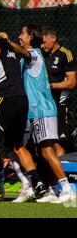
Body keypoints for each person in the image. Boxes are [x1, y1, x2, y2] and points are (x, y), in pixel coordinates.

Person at [2, 25, 76, 204]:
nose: (20, 37)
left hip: (43, 110)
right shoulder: (24, 60)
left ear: (30, 38)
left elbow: (23, 52)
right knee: (39, 152)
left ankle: (66, 189)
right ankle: (51, 189)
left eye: (22, 34)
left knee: (48, 151)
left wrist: (7, 41)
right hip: (34, 112)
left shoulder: (34, 55)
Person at [0, 15, 46, 203]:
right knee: (15, 145)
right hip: (20, 99)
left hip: (5, 98)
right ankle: (35, 183)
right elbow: (22, 53)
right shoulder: (8, 44)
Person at [41, 26, 77, 154]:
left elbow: (72, 83)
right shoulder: (42, 55)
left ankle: (62, 172)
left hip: (59, 104)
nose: (41, 45)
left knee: (58, 143)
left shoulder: (65, 54)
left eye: (44, 42)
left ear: (54, 39)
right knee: (45, 142)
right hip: (43, 104)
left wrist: (49, 86)